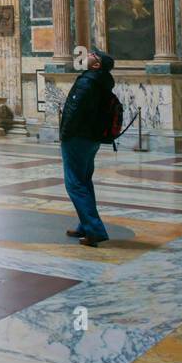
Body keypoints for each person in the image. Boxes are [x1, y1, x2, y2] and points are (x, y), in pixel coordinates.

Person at [59, 49, 116, 247]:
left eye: (93, 54)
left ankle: (94, 230)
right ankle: (85, 225)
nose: (88, 54)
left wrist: (64, 135)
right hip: (91, 138)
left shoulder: (87, 82)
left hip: (77, 138)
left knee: (74, 183)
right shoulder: (102, 81)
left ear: (96, 64)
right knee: (84, 181)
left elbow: (74, 111)